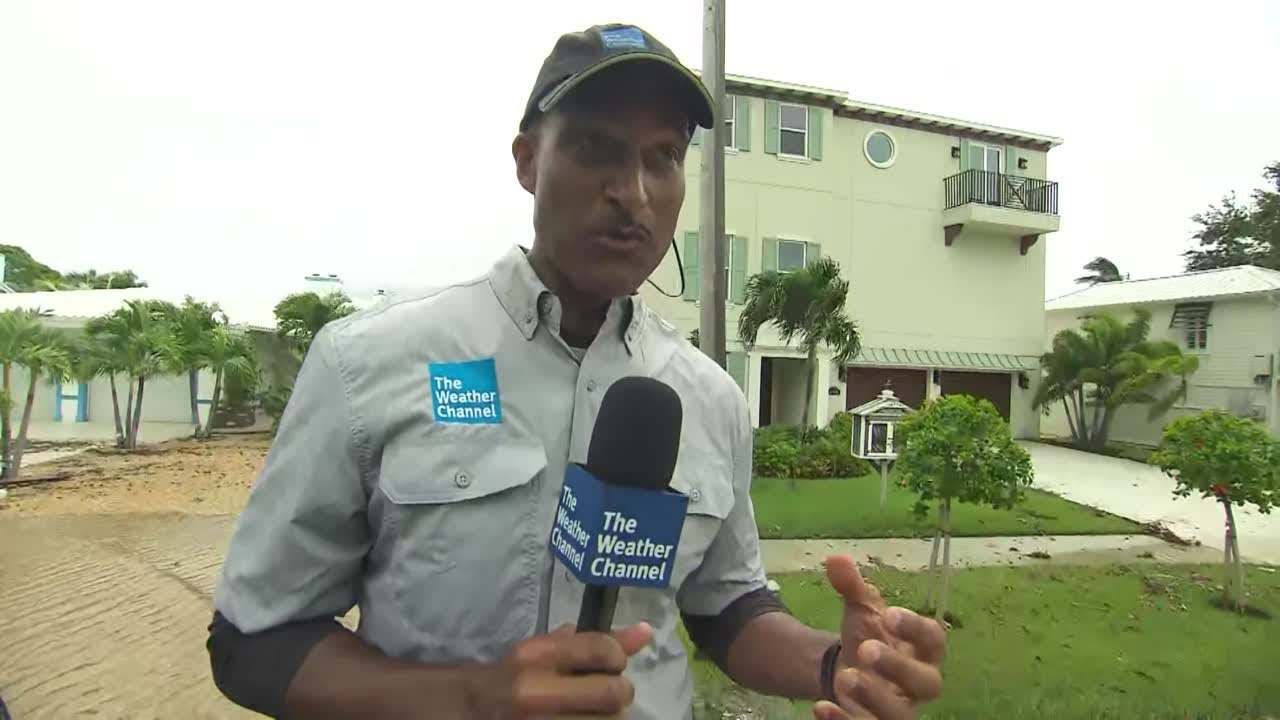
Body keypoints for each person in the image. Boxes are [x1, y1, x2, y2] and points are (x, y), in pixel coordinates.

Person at [207, 22, 946, 720]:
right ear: (528, 161)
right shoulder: (369, 362)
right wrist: (477, 698)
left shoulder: (709, 397)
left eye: (662, 156)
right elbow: (253, 642)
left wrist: (836, 665)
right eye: (595, 148)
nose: (635, 192)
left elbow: (726, 608)